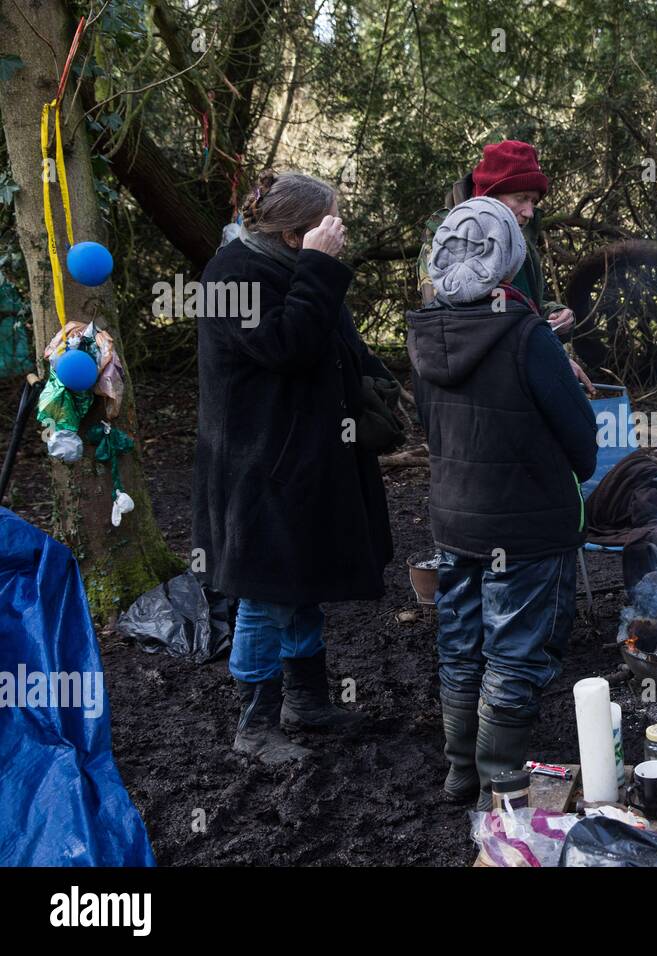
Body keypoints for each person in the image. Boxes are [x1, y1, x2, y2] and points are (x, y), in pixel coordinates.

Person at [195, 170, 396, 766]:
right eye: (328, 222)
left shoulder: (287, 265)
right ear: (293, 235)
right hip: (258, 466)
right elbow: (288, 345)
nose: (339, 232)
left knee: (300, 583)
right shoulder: (231, 275)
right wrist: (319, 268)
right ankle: (254, 726)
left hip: (304, 459)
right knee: (265, 592)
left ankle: (304, 702)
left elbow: (334, 345)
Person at [407, 196, 597, 809]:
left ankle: (460, 773)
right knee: (514, 652)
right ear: (508, 261)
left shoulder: (426, 330)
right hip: (524, 525)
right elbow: (577, 433)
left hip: (455, 517)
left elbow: (430, 424)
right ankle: (499, 782)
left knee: (460, 643)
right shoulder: (526, 334)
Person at [416, 139, 595, 396]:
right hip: (472, 393)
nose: (530, 212)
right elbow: (449, 325)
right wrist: (546, 358)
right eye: (521, 198)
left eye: (533, 201)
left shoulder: (520, 241)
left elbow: (520, 303)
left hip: (520, 382)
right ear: (488, 197)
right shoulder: (449, 240)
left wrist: (554, 315)